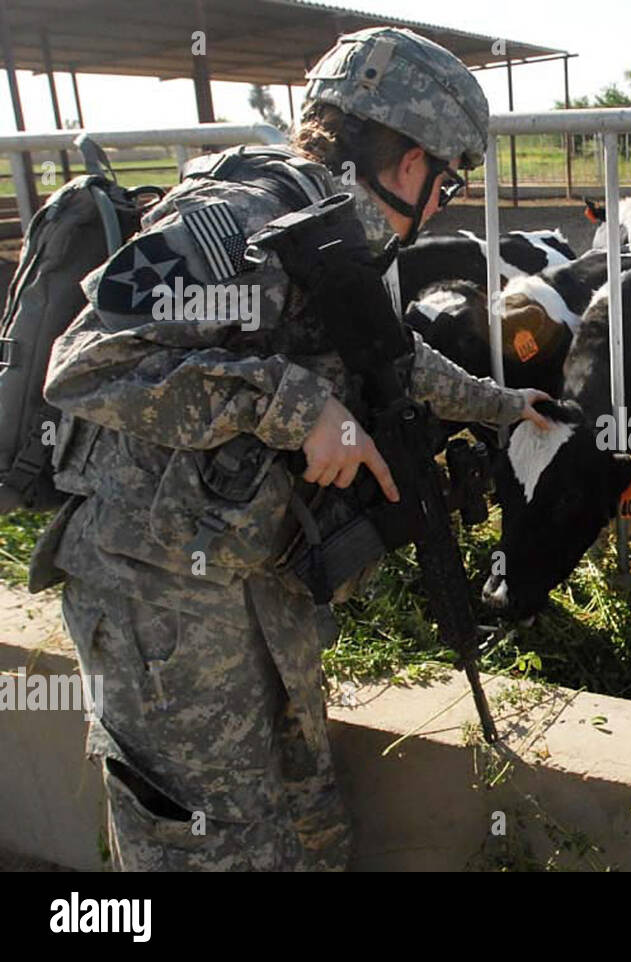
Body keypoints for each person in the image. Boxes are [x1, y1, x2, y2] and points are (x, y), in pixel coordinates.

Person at [39, 26, 549, 871]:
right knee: (205, 843)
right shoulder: (233, 220)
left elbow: (383, 353)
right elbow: (88, 362)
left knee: (305, 813)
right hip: (155, 591)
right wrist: (297, 407)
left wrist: (498, 404)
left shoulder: (339, 231)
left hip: (253, 573)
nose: (443, 204)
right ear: (415, 161)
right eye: (451, 184)